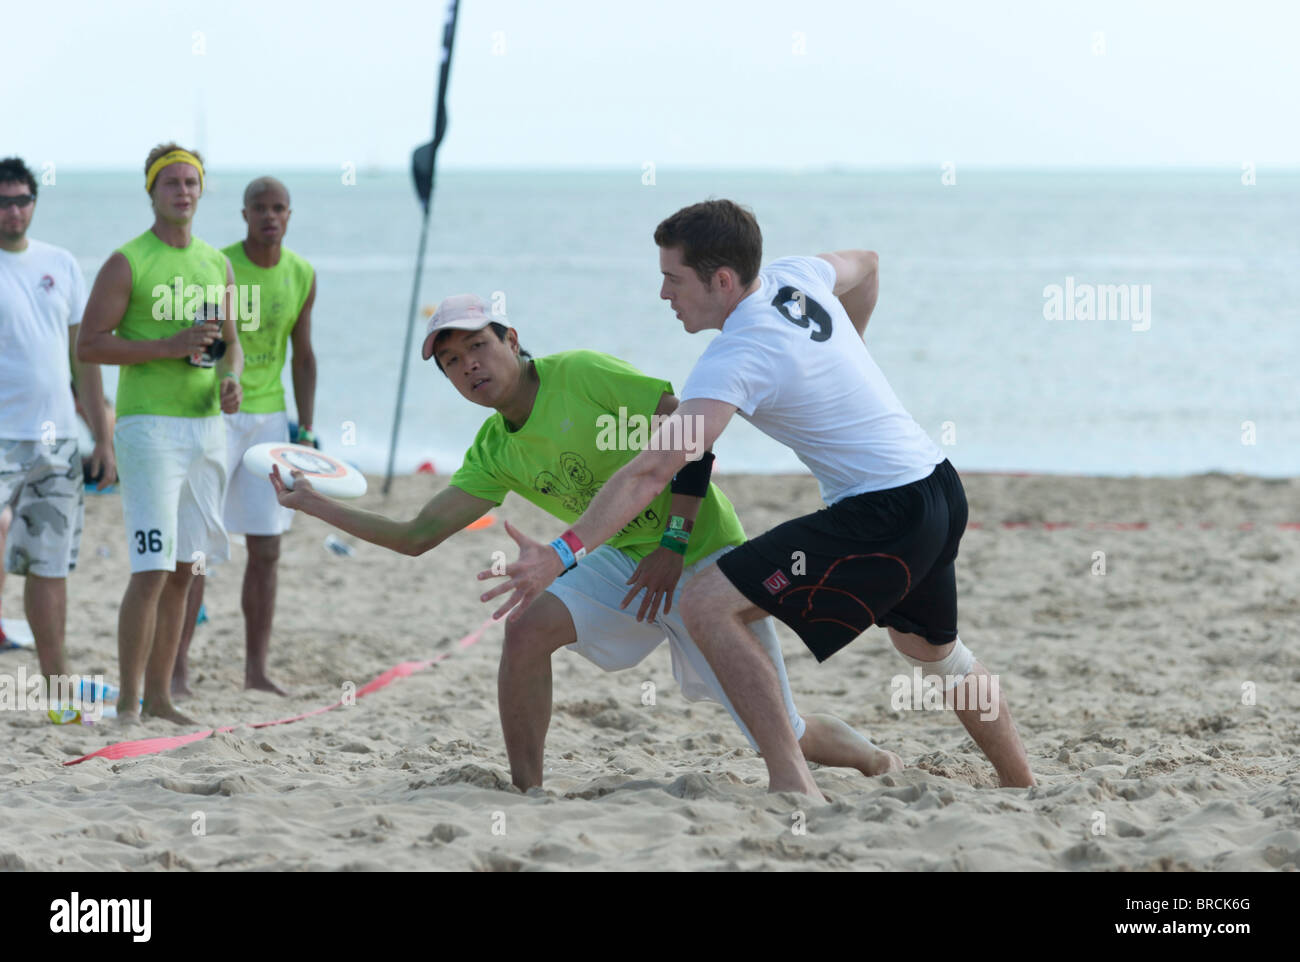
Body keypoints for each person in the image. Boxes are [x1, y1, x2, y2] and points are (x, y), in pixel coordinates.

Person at [480, 200, 1036, 798]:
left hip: (886, 511)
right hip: (940, 487)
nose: (664, 293)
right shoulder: (797, 276)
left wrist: (562, 552)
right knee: (934, 652)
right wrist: (848, 351)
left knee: (707, 604)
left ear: (721, 280)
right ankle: (1022, 785)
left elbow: (654, 470)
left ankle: (792, 784)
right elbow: (868, 264)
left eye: (673, 278)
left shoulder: (736, 355)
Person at [270, 294, 900, 790]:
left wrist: (673, 544)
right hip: (622, 563)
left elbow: (690, 431)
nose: (470, 366)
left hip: (705, 556)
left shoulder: (583, 374)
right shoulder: (495, 451)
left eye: (479, 347)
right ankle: (528, 792)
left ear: (511, 340)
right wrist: (313, 502)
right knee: (524, 630)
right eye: (453, 362)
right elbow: (415, 536)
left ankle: (874, 760)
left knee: (784, 734)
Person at [77, 144, 243, 724]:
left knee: (185, 571)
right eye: (171, 182)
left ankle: (162, 698)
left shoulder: (216, 263)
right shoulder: (128, 261)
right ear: (152, 192)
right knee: (150, 569)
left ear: (201, 190)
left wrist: (232, 380)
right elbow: (90, 344)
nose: (183, 191)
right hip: (149, 430)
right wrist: (164, 348)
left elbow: (229, 342)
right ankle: (127, 702)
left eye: (191, 182)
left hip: (205, 430)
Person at [174, 176, 316, 697]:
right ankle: (177, 670)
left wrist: (308, 426)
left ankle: (256, 671)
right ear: (244, 214)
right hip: (217, 416)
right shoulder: (220, 266)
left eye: (279, 208)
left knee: (267, 548)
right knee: (197, 550)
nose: (270, 216)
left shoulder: (302, 273)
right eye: (260, 208)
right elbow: (202, 349)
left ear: (289, 215)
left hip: (270, 421)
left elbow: (303, 354)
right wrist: (215, 389)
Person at [0, 157, 115, 679]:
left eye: (22, 200)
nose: (13, 211)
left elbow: (82, 359)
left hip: (58, 442)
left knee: (48, 567)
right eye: (3, 202)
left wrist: (103, 437)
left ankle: (56, 687)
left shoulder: (61, 263)